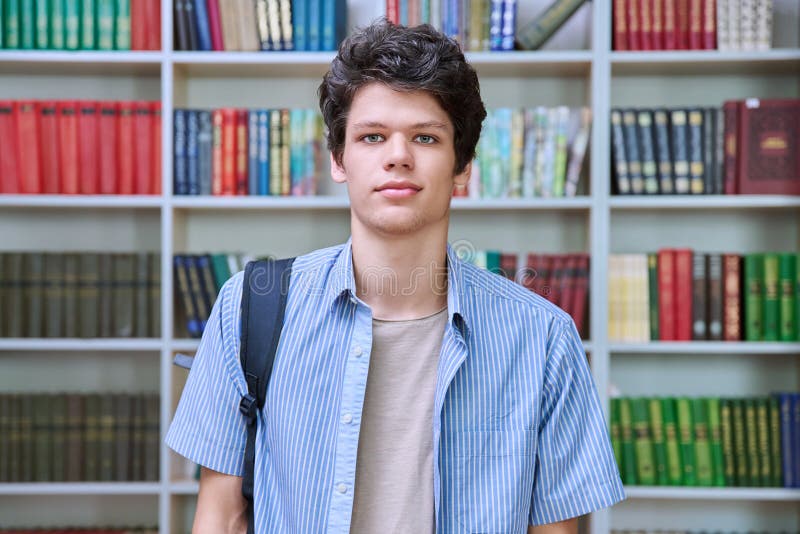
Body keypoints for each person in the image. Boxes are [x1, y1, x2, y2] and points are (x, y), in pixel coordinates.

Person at [166, 20, 625, 534]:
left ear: (462, 165)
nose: (398, 156)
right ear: (339, 159)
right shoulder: (247, 309)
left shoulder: (543, 339)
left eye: (425, 137)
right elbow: (220, 518)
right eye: (372, 136)